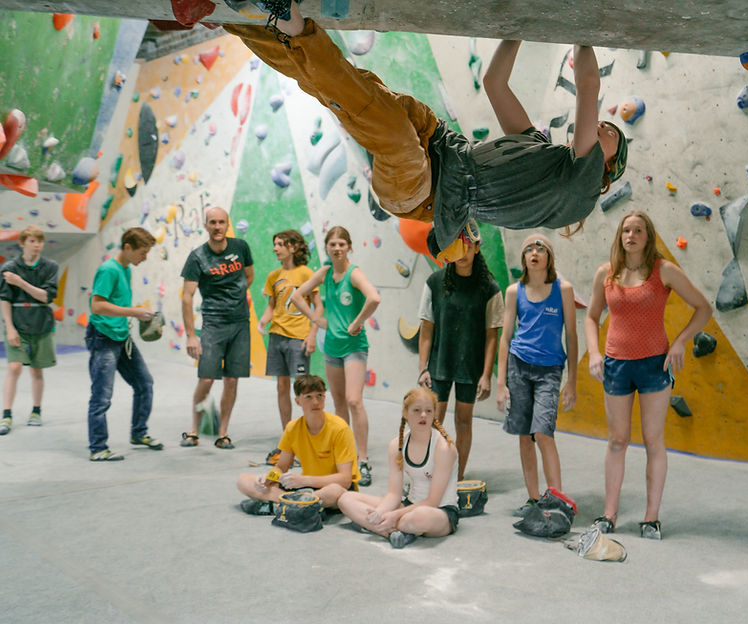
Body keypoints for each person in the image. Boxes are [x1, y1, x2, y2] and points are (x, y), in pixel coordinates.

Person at [223, 2, 628, 261]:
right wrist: (520, 26)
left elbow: (588, 85)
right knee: (348, 87)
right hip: (437, 138)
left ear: (608, 166)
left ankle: (290, 23)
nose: (604, 127)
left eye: (612, 134)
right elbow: (495, 84)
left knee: (386, 128)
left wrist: (581, 25)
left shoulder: (582, 190)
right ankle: (243, 19)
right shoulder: (539, 147)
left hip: (424, 192)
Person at [584, 210, 711, 539]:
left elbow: (703, 307)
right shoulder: (606, 273)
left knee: (654, 441)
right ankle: (609, 514)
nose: (631, 235)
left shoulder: (663, 270)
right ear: (619, 236)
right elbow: (591, 316)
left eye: (638, 230)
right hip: (616, 364)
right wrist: (595, 352)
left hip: (655, 364)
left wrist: (681, 342)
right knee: (617, 441)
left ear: (647, 235)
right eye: (626, 230)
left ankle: (651, 518)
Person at [290, 226, 380, 486]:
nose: (337, 248)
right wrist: (315, 319)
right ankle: (346, 457)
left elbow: (374, 297)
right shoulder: (326, 272)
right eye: (333, 244)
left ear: (349, 247)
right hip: (331, 346)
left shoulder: (354, 273)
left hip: (354, 346)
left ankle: (362, 459)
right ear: (327, 247)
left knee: (354, 401)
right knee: (339, 402)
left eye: (342, 244)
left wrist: (358, 321)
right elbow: (296, 296)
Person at [496, 235, 577, 516]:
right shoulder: (513, 291)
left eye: (540, 248)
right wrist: (500, 383)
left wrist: (572, 381)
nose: (534, 252)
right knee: (523, 435)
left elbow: (571, 335)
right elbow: (505, 337)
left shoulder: (563, 289)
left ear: (548, 257)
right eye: (529, 248)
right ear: (524, 258)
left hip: (550, 370)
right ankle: (533, 499)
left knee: (543, 433)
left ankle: (557, 500)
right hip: (518, 366)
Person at [418, 238, 503, 480]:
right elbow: (426, 329)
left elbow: (491, 336)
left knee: (464, 422)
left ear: (477, 247)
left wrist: (486, 375)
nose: (463, 253)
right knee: (433, 422)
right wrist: (423, 368)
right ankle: (426, 475)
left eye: (468, 246)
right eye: (456, 247)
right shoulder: (435, 282)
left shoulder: (490, 288)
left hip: (470, 366)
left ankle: (458, 476)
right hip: (439, 364)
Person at [337, 386, 458, 549]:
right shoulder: (397, 445)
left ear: (434, 414)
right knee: (346, 499)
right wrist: (379, 513)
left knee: (418, 518)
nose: (423, 415)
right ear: (405, 413)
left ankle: (377, 526)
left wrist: (393, 515)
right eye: (417, 410)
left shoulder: (444, 448)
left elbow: (433, 501)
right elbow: (394, 494)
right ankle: (392, 531)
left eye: (429, 411)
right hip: (408, 505)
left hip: (438, 512)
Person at [84, 227, 163, 461]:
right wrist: (134, 312)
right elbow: (97, 305)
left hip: (121, 336)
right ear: (127, 247)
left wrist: (143, 317)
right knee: (102, 396)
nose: (144, 257)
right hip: (103, 338)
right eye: (142, 252)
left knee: (144, 383)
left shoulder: (125, 269)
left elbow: (116, 303)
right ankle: (98, 448)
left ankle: (138, 433)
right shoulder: (109, 270)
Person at [180, 207, 254, 449]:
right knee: (207, 378)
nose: (217, 226)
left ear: (227, 224)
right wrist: (191, 336)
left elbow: (249, 275)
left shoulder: (240, 247)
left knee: (232, 380)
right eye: (213, 222)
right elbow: (187, 296)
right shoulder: (197, 257)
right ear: (206, 225)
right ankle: (194, 429)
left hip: (240, 323)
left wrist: (236, 295)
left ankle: (222, 432)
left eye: (222, 222)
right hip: (213, 323)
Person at [237, 374, 360, 515]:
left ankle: (281, 505)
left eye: (320, 395)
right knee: (244, 480)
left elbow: (345, 479)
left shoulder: (339, 428)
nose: (315, 402)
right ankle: (299, 505)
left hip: (331, 487)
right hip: (306, 489)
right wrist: (268, 477)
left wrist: (304, 480)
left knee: (334, 492)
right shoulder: (293, 427)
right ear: (297, 401)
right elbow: (281, 467)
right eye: (308, 397)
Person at [256, 229, 323, 463]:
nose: (276, 248)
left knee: (303, 389)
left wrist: (313, 334)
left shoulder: (306, 273)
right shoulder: (273, 276)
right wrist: (263, 321)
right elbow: (271, 307)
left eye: (281, 244)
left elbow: (318, 307)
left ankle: (310, 436)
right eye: (274, 244)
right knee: (281, 388)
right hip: (277, 337)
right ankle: (289, 438)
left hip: (299, 337)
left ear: (293, 248)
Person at [0, 226, 59, 435]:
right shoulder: (9, 267)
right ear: (22, 243)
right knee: (14, 368)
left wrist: (20, 283)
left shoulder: (50, 266)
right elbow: (5, 299)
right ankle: (6, 415)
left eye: (40, 241)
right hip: (16, 323)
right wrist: (9, 327)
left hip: (41, 323)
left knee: (36, 369)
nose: (37, 245)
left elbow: (46, 296)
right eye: (33, 241)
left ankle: (36, 411)